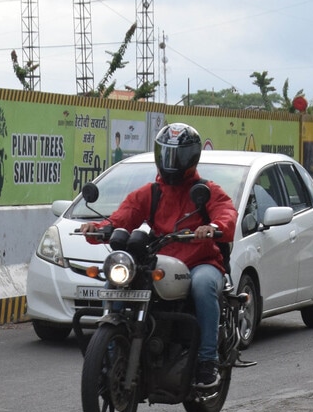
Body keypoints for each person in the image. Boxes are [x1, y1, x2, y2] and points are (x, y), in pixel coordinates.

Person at [79, 122, 237, 389]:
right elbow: (122, 218)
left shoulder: (206, 190)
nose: (171, 161)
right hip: (160, 261)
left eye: (178, 155)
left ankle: (207, 360)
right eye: (166, 154)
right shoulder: (150, 193)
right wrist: (98, 229)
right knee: (117, 280)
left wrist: (212, 228)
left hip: (200, 262)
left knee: (203, 286)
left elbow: (227, 214)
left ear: (192, 157)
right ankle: (109, 354)